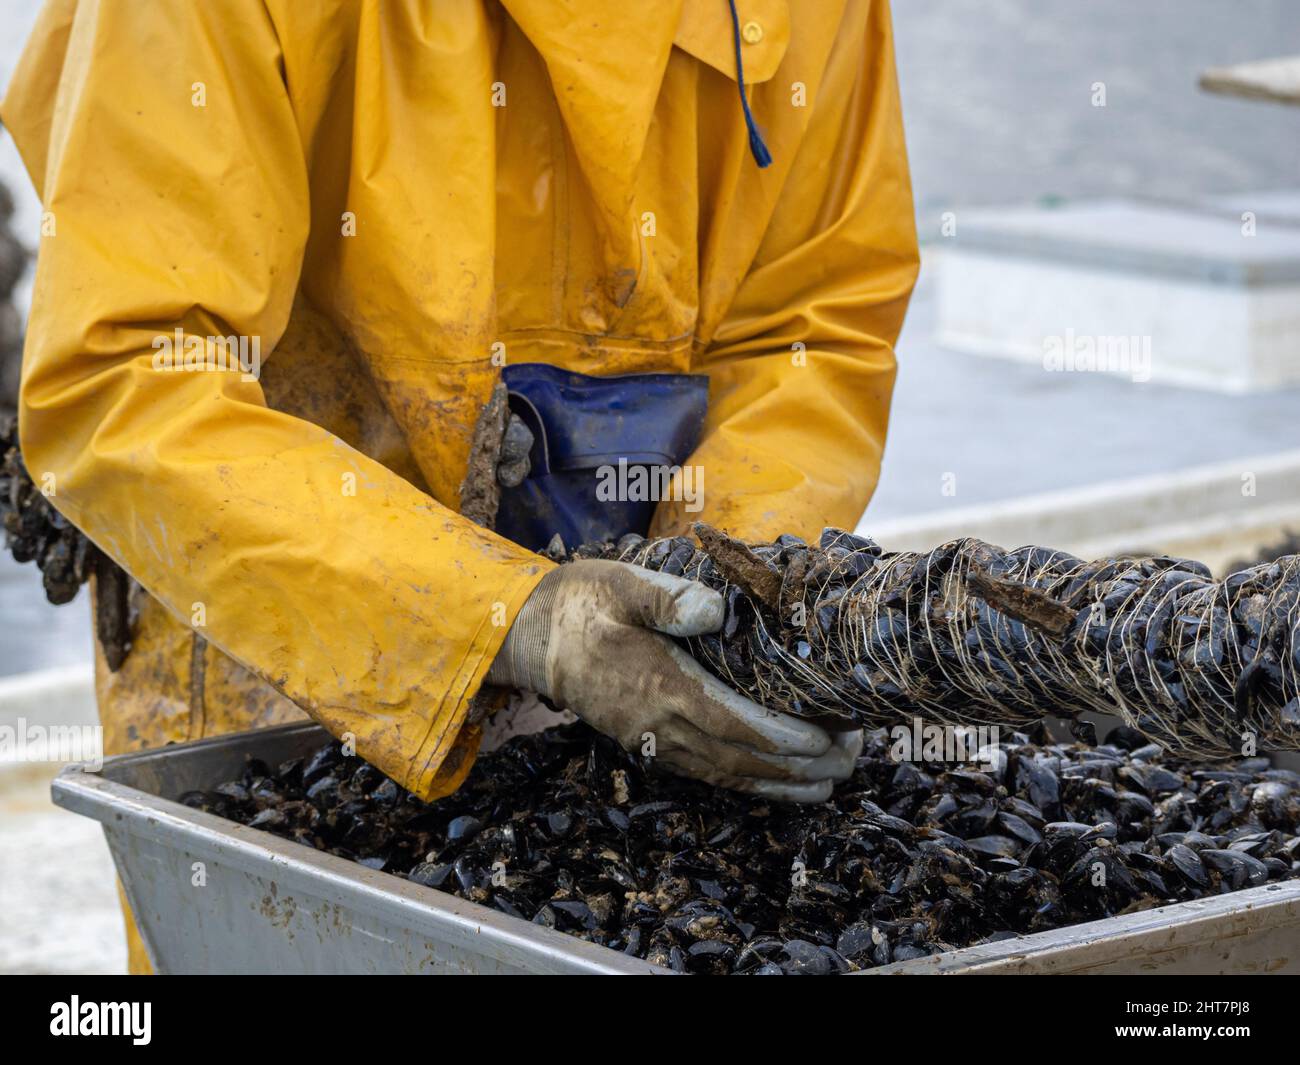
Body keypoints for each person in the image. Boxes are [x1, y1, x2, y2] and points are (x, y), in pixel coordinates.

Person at [3, 0, 917, 970]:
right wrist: (503, 618)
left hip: (648, 685)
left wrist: (715, 591)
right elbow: (133, 377)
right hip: (282, 644)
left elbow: (812, 324)